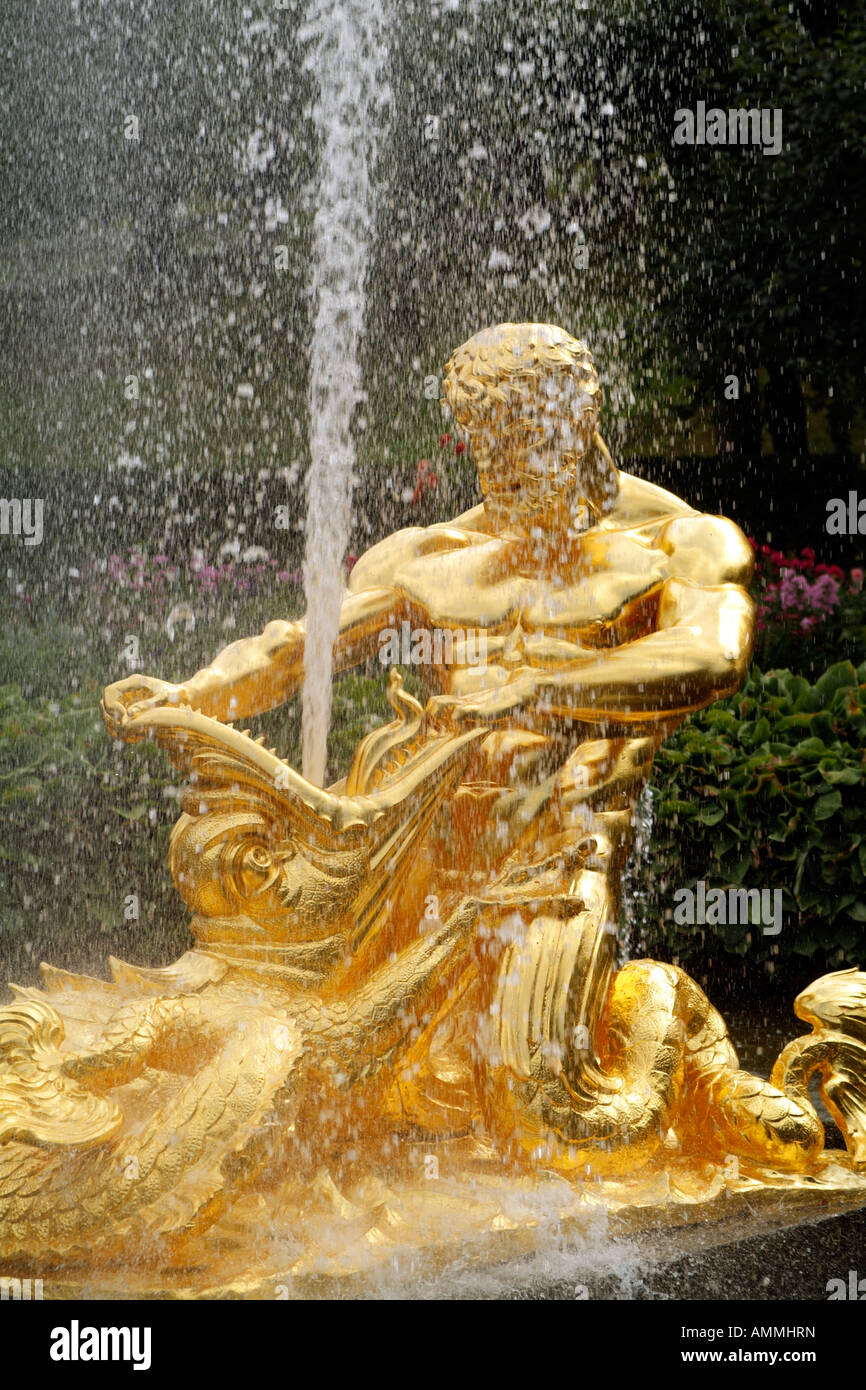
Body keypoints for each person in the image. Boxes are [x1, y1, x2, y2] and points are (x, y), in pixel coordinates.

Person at [103, 322, 755, 1149]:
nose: (505, 465)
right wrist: (189, 693)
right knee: (292, 1068)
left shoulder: (677, 543)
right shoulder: (426, 557)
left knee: (545, 1121)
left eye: (525, 438)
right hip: (403, 867)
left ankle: (665, 1018)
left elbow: (712, 655)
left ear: (581, 415)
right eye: (486, 444)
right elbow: (295, 644)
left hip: (553, 865)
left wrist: (539, 689)